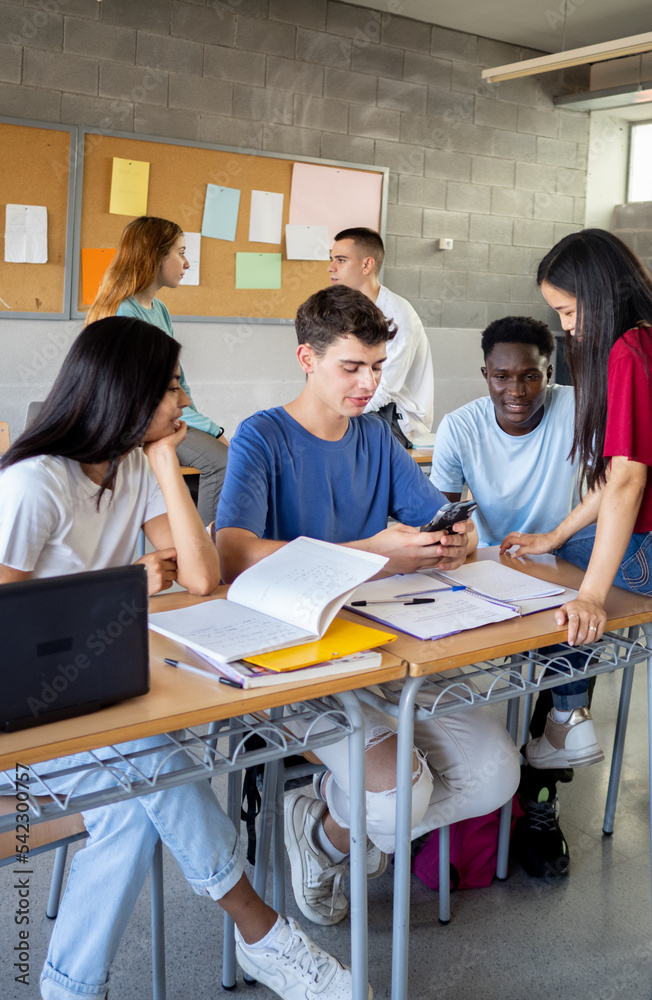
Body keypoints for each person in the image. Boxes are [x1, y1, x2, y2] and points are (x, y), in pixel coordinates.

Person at [0, 317, 364, 1000]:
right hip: (27, 713)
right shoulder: (35, 484)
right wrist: (116, 590)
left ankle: (70, 989)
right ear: (126, 393)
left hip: (100, 694)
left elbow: (200, 577)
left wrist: (165, 460)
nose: (184, 400)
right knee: (152, 761)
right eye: (171, 387)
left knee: (132, 805)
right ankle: (263, 934)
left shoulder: (129, 466)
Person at [215, 284, 520, 928]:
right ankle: (349, 827)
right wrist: (374, 552)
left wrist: (454, 539)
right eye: (351, 367)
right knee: (399, 798)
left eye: (378, 367)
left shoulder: (376, 438)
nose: (368, 383)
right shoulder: (261, 436)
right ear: (307, 358)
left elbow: (435, 519)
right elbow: (234, 554)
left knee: (497, 774)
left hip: (379, 644)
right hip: (289, 661)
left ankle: (331, 825)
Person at [500, 228, 652, 959]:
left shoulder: (631, 350)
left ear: (600, 297)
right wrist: (556, 531)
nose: (568, 328)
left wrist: (591, 595)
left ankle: (565, 718)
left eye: (569, 312)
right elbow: (620, 475)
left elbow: (628, 479)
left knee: (568, 570)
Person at [430, 315, 599, 879]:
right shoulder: (461, 426)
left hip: (564, 563)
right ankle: (527, 754)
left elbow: (615, 486)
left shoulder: (579, 408)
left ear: (550, 373)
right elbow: (435, 514)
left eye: (531, 376)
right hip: (489, 571)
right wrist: (453, 540)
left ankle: (540, 791)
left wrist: (558, 539)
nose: (516, 390)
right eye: (502, 376)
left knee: (576, 620)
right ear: (485, 374)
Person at [86, 216, 228, 526]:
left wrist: (203, 423)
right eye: (181, 253)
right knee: (222, 464)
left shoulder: (159, 310)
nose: (186, 263)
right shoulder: (124, 311)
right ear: (156, 255)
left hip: (162, 416)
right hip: (134, 424)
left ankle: (200, 541)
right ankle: (211, 548)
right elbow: (146, 392)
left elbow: (178, 381)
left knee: (224, 456)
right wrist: (212, 430)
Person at [328, 227, 433, 447]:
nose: (331, 267)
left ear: (367, 265)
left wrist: (334, 416)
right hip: (361, 404)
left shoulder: (397, 316)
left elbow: (383, 391)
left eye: (341, 260)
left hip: (394, 418)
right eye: (332, 259)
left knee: (330, 437)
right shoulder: (348, 310)